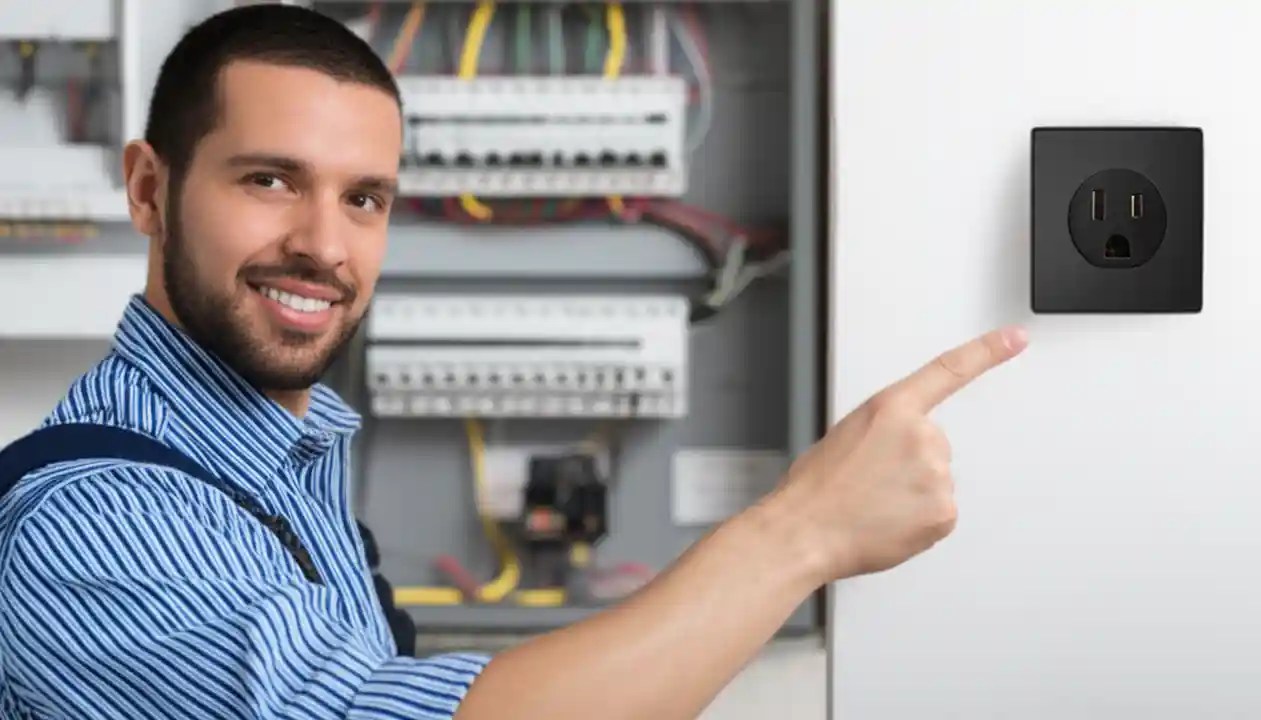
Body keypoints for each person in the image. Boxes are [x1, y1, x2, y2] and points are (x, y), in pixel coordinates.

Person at [0, 5, 1028, 719]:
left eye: (365, 198)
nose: (324, 243)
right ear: (147, 189)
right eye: (270, 180)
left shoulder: (276, 457)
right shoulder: (93, 528)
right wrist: (802, 533)